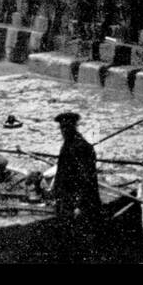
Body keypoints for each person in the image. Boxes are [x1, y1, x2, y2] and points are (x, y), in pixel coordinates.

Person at [52, 111, 101, 262]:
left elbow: (86, 180)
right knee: (70, 241)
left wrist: (79, 205)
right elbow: (62, 173)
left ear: (74, 126)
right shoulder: (67, 144)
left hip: (82, 204)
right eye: (62, 128)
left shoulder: (81, 147)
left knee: (83, 243)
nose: (64, 131)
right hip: (67, 202)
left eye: (67, 127)